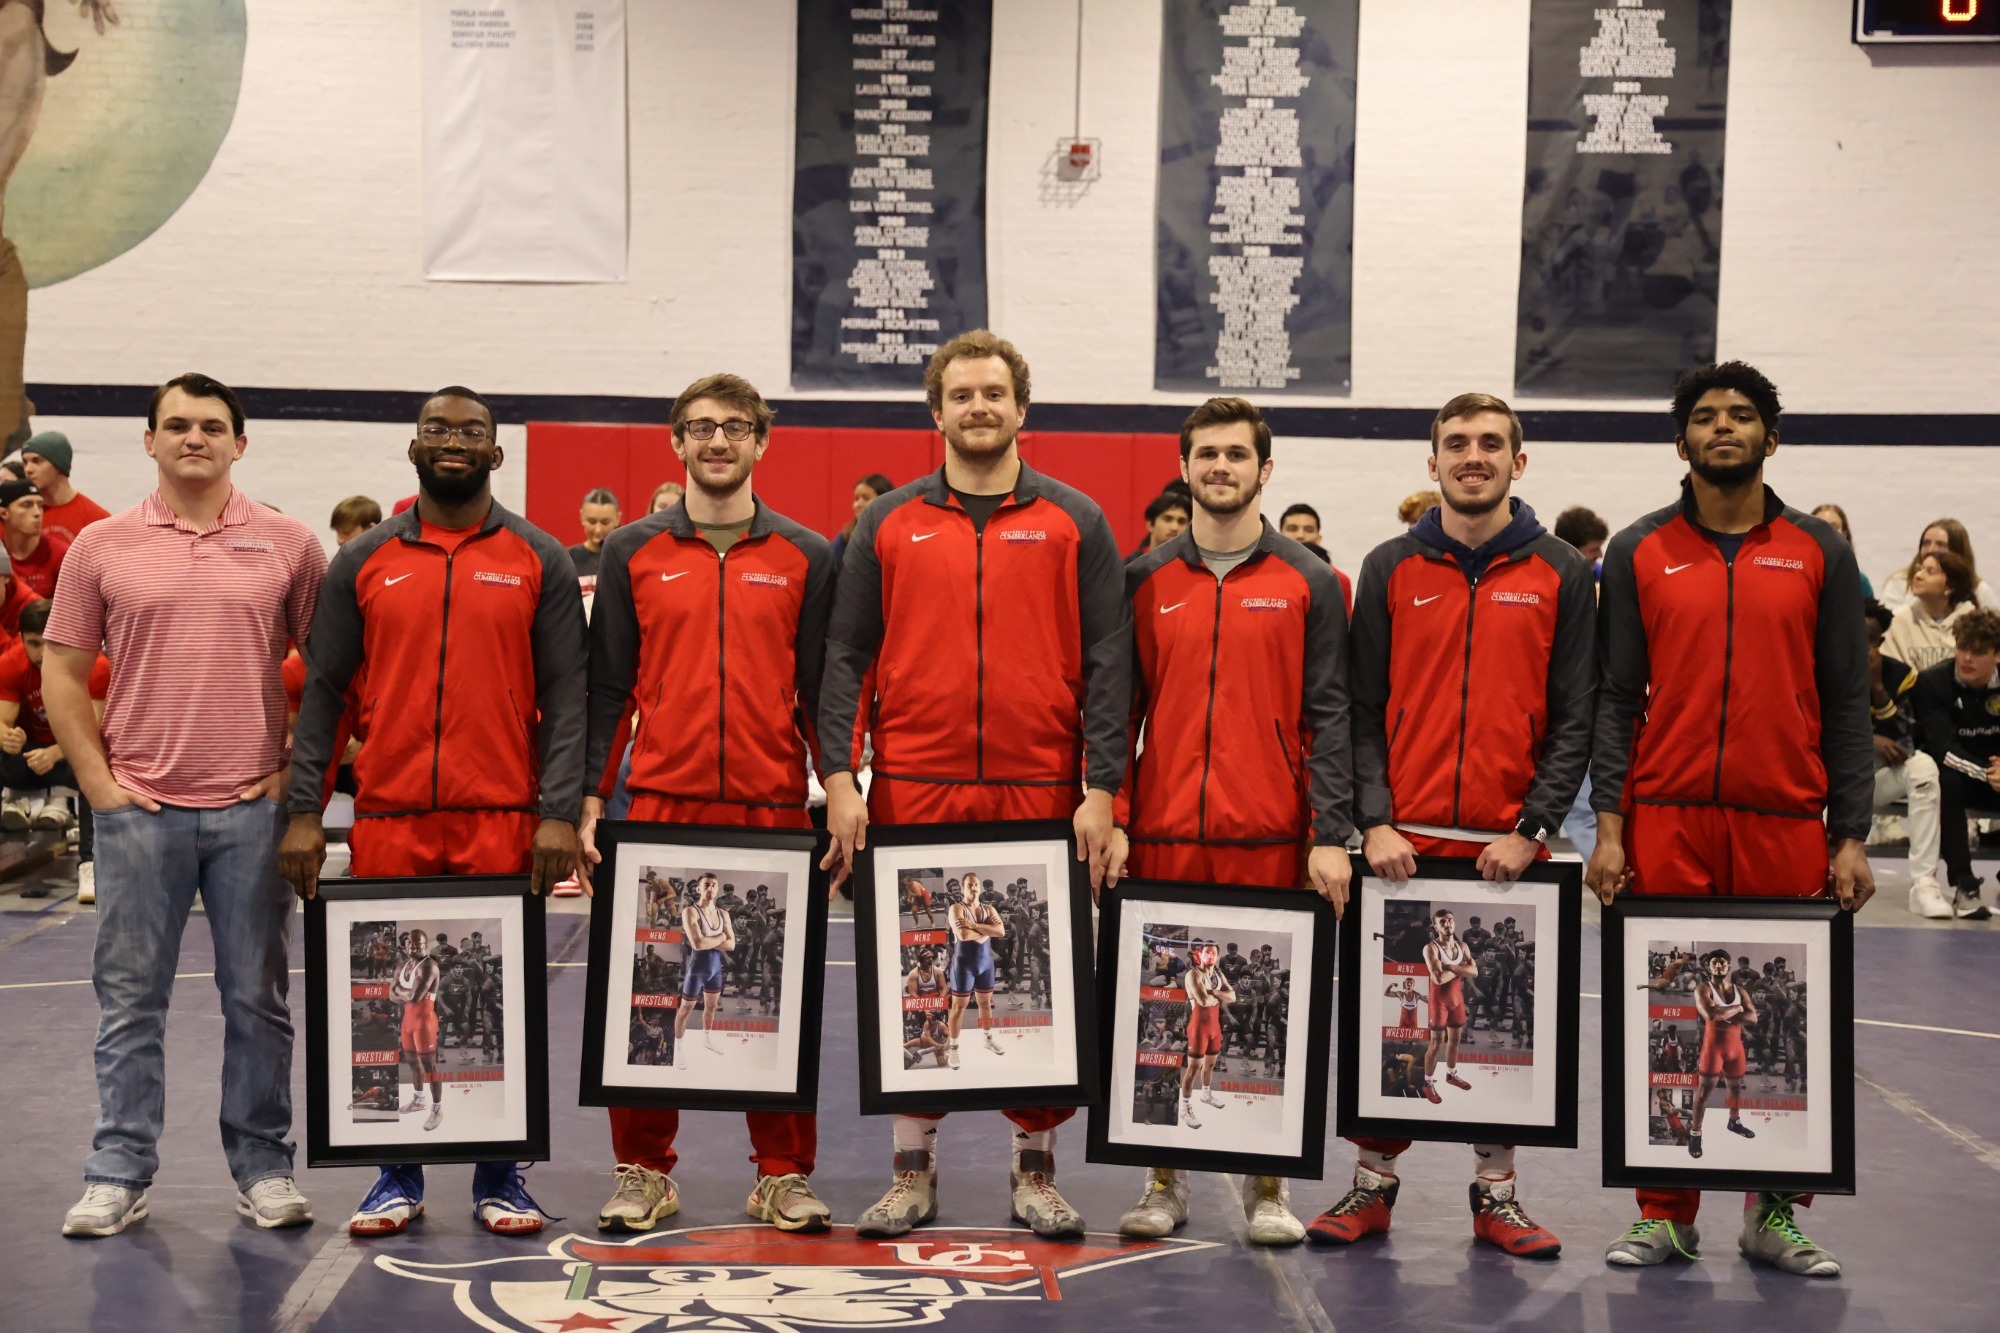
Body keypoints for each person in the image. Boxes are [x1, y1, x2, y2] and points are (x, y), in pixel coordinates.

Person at [820, 329, 1130, 1241]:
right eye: (962, 394)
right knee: (920, 978)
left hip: (1041, 784)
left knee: (1036, 979)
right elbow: (846, 656)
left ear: (1021, 407)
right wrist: (841, 776)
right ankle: (911, 1169)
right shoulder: (888, 522)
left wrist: (1102, 786)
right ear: (937, 410)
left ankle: (1035, 1169)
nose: (980, 407)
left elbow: (1109, 661)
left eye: (995, 392)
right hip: (916, 783)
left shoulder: (1076, 519)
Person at [279, 385, 586, 1237]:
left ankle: (500, 1174)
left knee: (497, 998)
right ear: (414, 447)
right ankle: (394, 1173)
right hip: (391, 813)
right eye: (437, 428)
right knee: (383, 999)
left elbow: (567, 695)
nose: (454, 440)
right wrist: (305, 810)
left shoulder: (538, 557)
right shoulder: (365, 559)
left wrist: (558, 809)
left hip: (502, 814)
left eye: (472, 431)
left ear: (496, 453)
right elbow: (325, 692)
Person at [1590, 361, 1872, 1275]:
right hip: (1666, 815)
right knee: (1670, 1019)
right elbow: (1615, 696)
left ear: (1770, 438)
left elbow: (1846, 699)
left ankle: (1774, 1211)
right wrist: (1609, 825)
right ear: (1682, 442)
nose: (1723, 427)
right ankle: (1666, 1211)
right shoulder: (1640, 549)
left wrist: (1852, 831)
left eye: (1741, 415)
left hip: (1783, 817)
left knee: (1784, 1024)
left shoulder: (1819, 552)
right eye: (1706, 416)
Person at [47, 373, 328, 1238]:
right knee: (130, 1002)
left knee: (257, 1001)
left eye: (211, 425)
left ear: (240, 443)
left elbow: (332, 673)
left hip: (252, 815)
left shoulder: (289, 543)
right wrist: (98, 784)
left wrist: (293, 775)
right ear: (149, 440)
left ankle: (264, 1166)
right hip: (139, 811)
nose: (193, 437)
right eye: (176, 424)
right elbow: (61, 671)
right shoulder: (100, 544)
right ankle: (117, 1171)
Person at [1319, 390, 1592, 1260]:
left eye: (1491, 443)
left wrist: (1535, 826)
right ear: (1431, 460)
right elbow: (1360, 709)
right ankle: (1372, 1183)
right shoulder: (1390, 566)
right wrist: (1373, 819)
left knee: (1496, 1029)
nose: (1473, 456)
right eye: (1457, 443)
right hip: (1403, 845)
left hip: (1505, 848)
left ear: (1519, 460)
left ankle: (1496, 1194)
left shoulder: (1561, 571)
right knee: (1395, 1023)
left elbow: (1575, 715)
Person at [578, 371, 836, 1235]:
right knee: (649, 994)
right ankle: (644, 1168)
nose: (717, 440)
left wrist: (838, 785)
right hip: (661, 804)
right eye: (700, 426)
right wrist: (588, 799)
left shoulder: (805, 554)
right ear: (676, 442)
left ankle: (783, 1173)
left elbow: (819, 690)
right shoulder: (632, 551)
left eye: (734, 426)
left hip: (769, 806)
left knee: (774, 991)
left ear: (761, 440)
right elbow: (609, 688)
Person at [1106, 394, 1352, 1246]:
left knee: (1262, 1015)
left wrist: (1329, 832)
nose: (1220, 466)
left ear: (1264, 468)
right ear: (1184, 467)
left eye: (1236, 454)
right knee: (1161, 1012)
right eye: (1206, 453)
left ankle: (1268, 1183)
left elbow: (1329, 716)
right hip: (1165, 834)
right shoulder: (1143, 580)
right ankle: (1162, 1177)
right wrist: (1119, 813)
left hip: (1270, 836)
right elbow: (1117, 712)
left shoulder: (1311, 581)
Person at [0, 597, 108, 894]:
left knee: (97, 765)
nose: (41, 652)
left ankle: (89, 863)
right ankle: (22, 805)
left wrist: (57, 752)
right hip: (31, 754)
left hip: (75, 752)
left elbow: (94, 730)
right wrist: (8, 737)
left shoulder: (96, 666)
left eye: (49, 643)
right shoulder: (10, 664)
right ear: (21, 639)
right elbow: (3, 721)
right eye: (34, 644)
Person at [1863, 599, 1948, 918]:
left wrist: (1877, 687)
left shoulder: (1901, 676)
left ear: (1880, 641)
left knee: (1922, 766)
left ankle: (1924, 884)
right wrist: (1870, 739)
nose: (1862, 646)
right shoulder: (1821, 667)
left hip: (1875, 778)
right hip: (1829, 780)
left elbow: (1907, 740)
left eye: (1870, 639)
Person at [1912, 609, 2000, 916]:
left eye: (1978, 651)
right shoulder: (1932, 682)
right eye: (1962, 647)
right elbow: (1942, 748)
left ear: (1997, 655)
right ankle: (1965, 884)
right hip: (1961, 775)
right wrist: (1989, 774)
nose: (1967, 658)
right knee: (1946, 781)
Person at [1883, 549, 1978, 673]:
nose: (1918, 576)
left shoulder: (1972, 623)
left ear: (1950, 586)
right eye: (1919, 569)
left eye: (1930, 571)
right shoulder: (1899, 622)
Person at [1879, 518, 1999, 612]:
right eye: (1926, 543)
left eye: (1940, 545)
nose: (1931, 550)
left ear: (1957, 550)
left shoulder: (1980, 590)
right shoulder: (1899, 583)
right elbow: (1888, 624)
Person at [20, 431, 110, 544]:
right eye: (25, 462)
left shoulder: (96, 518)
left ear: (59, 465)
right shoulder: (18, 514)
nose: (28, 469)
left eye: (37, 461)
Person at [0, 476, 62, 634]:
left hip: (43, 634)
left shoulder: (61, 555)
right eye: (27, 505)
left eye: (40, 505)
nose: (37, 513)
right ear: (4, 513)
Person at [568, 486, 621, 610]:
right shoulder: (566, 560)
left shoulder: (625, 560)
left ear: (617, 519)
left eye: (605, 522)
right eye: (592, 522)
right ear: (581, 516)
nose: (598, 530)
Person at [831, 471, 895, 568]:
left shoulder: (899, 536)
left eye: (866, 498)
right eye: (856, 499)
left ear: (884, 501)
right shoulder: (845, 539)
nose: (858, 504)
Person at [1811, 504, 1873, 599]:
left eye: (1835, 527)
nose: (1827, 533)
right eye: (1820, 527)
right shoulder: (1798, 579)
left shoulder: (1859, 581)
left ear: (1844, 533)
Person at [1131, 490, 1191, 557]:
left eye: (1182, 521)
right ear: (1150, 525)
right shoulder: (1132, 562)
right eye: (1168, 519)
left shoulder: (1195, 562)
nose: (1175, 527)